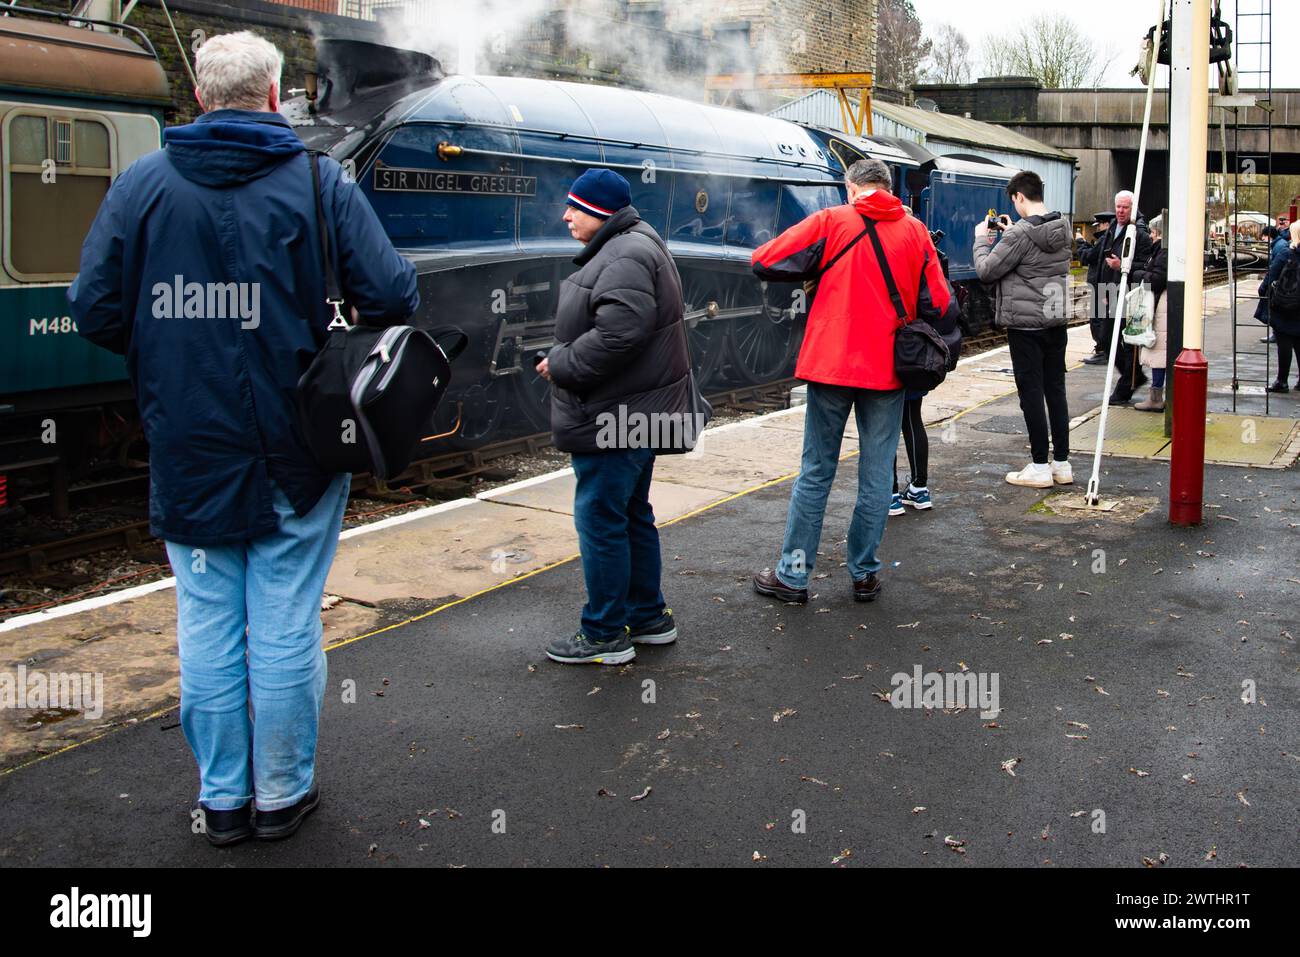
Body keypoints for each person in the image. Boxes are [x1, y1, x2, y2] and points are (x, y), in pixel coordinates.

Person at [68, 32, 419, 846]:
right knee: (287, 622)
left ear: (197, 97)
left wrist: (167, 352)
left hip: (188, 446)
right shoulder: (318, 181)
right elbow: (393, 292)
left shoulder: (141, 185)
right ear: (272, 96)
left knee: (207, 626)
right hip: (297, 447)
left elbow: (95, 309)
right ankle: (281, 795)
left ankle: (221, 800)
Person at [748, 158, 950, 604]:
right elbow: (939, 299)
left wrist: (816, 269)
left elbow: (764, 259)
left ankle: (793, 576)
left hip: (831, 365)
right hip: (888, 371)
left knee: (817, 471)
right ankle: (863, 574)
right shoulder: (915, 231)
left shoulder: (831, 220)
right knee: (877, 477)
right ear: (888, 187)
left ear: (851, 187)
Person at [538, 169, 688, 665]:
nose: (565, 215)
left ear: (599, 211)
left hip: (615, 415)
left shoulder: (623, 253)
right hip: (637, 410)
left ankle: (604, 634)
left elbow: (620, 334)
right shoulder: (635, 244)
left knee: (602, 519)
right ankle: (647, 617)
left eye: (574, 208)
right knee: (631, 514)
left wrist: (559, 363)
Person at [972, 170, 1073, 488]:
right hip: (1055, 321)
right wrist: (1013, 230)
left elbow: (986, 271)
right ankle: (1062, 465)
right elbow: (1035, 248)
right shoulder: (1062, 226)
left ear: (1018, 197)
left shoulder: (1018, 236)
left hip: (1026, 326)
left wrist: (981, 240)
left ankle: (1040, 467)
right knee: (1055, 391)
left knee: (1031, 394)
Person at [1078, 190, 1154, 402]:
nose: (1120, 211)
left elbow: (1146, 266)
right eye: (1118, 207)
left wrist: (1123, 266)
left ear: (1133, 208)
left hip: (1128, 295)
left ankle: (1126, 386)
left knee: (1128, 343)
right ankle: (1134, 376)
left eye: (1125, 208)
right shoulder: (1113, 227)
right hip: (1109, 292)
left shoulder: (1140, 234)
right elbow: (1100, 256)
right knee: (1106, 338)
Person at [1131, 215, 1169, 411]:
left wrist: (1138, 275)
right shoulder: (1162, 251)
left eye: (1153, 233)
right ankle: (1157, 394)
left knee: (1158, 353)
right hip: (1162, 306)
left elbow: (1157, 278)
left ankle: (1156, 396)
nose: (1151, 236)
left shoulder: (1163, 252)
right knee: (1160, 353)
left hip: (1161, 309)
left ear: (1160, 233)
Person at [1265, 221, 1300, 392]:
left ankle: (1282, 381)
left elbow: (1271, 275)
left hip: (1284, 305)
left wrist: (1264, 290)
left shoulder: (1286, 253)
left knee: (1284, 343)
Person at [889, 391, 930, 515]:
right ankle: (919, 488)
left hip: (886, 379)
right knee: (913, 419)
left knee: (885, 428)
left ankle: (890, 495)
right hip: (911, 375)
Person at [1256, 224, 1290, 346]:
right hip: (1281, 282)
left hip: (1278, 283)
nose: (1263, 239)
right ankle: (1277, 333)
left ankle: (1277, 334)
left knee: (1273, 307)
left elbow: (1275, 267)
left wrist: (1266, 283)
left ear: (1268, 236)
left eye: (1264, 236)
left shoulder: (1279, 247)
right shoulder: (1280, 244)